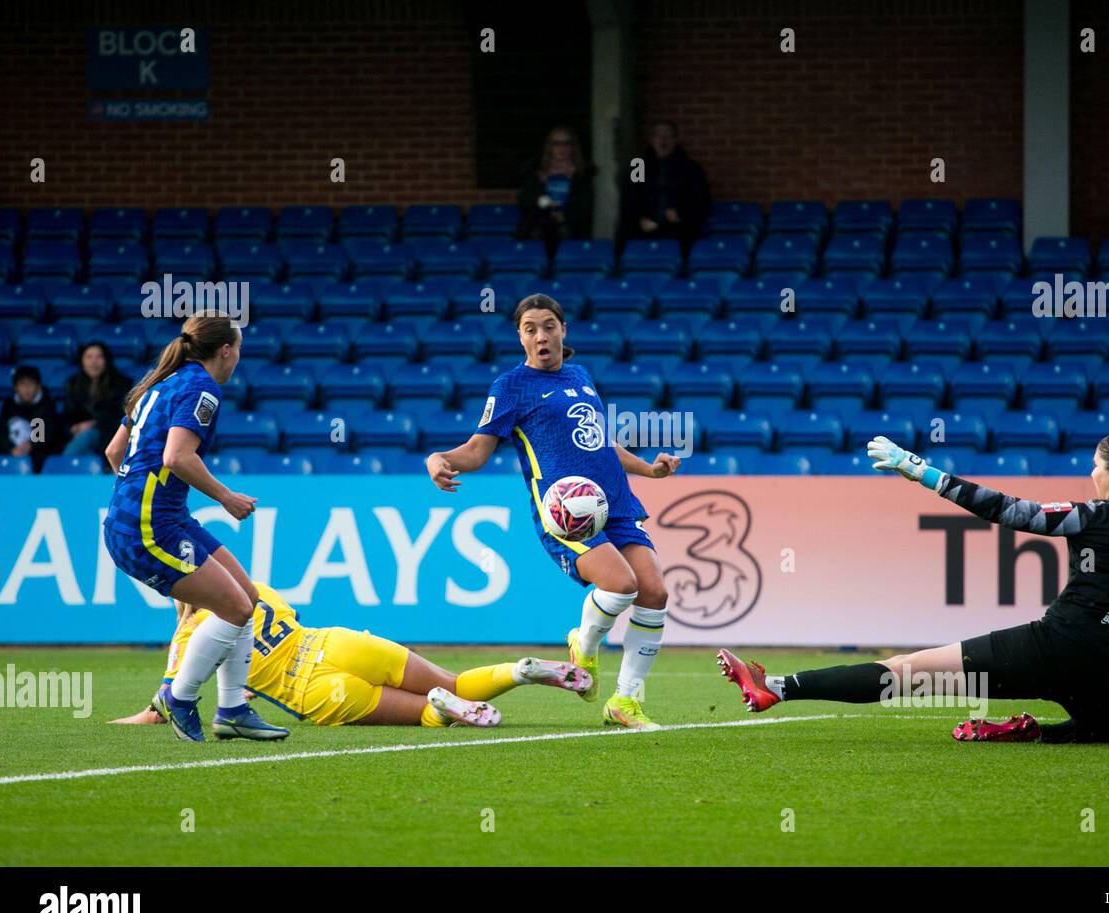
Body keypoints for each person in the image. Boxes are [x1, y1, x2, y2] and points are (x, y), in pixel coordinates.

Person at [718, 429, 1109, 745]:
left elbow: (1007, 510)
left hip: (1059, 647)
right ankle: (1029, 731)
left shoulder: (1089, 515)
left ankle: (779, 687)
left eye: (1095, 466)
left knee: (911, 674)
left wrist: (922, 471)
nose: (1091, 474)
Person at [426, 293, 682, 730]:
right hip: (566, 510)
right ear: (520, 337)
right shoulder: (510, 387)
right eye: (530, 329)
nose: (541, 336)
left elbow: (600, 442)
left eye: (549, 326)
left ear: (563, 330)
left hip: (614, 504)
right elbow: (476, 450)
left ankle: (625, 701)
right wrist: (439, 458)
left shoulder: (580, 375)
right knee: (621, 586)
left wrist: (649, 470)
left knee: (655, 592)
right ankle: (583, 644)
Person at [103, 311, 286, 743]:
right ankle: (178, 699)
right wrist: (227, 498)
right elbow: (176, 458)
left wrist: (138, 497)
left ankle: (233, 711)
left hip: (158, 519)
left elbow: (115, 452)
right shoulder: (201, 387)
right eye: (238, 349)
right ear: (226, 350)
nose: (239, 357)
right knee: (237, 610)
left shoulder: (157, 384)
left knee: (248, 599)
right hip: (149, 529)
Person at [110, 582, 592, 731]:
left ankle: (442, 709)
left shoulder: (189, 637)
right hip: (334, 642)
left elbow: (164, 707)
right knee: (461, 681)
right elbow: (287, 616)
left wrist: (123, 722)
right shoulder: (248, 588)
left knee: (427, 711)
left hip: (315, 691)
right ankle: (522, 670)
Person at [620, 120, 711, 255]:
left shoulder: (691, 169)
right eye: (659, 136)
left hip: (679, 233)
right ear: (652, 140)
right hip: (643, 232)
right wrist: (640, 219)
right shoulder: (638, 166)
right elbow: (630, 198)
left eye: (668, 136)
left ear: (675, 140)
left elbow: (701, 200)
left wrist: (681, 215)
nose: (663, 140)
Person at [516, 126, 594, 256]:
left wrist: (564, 216)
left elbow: (585, 205)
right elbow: (524, 201)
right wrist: (545, 202)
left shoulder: (582, 175)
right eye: (557, 144)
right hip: (538, 227)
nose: (562, 148)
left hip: (571, 230)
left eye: (566, 144)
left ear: (573, 147)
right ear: (549, 147)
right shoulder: (535, 172)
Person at [63, 341, 132, 457]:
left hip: (111, 435)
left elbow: (122, 415)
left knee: (88, 436)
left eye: (99, 357)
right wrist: (73, 428)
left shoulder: (122, 383)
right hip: (79, 437)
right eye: (89, 357)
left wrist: (94, 424)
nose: (93, 362)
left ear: (106, 360)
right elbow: (68, 415)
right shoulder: (73, 384)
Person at [0, 364, 63, 472]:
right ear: (15, 388)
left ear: (38, 386)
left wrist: (30, 446)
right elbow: (2, 433)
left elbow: (49, 434)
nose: (27, 389)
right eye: (22, 384)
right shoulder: (8, 405)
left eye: (30, 384)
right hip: (12, 453)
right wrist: (11, 449)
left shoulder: (46, 404)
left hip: (38, 457)